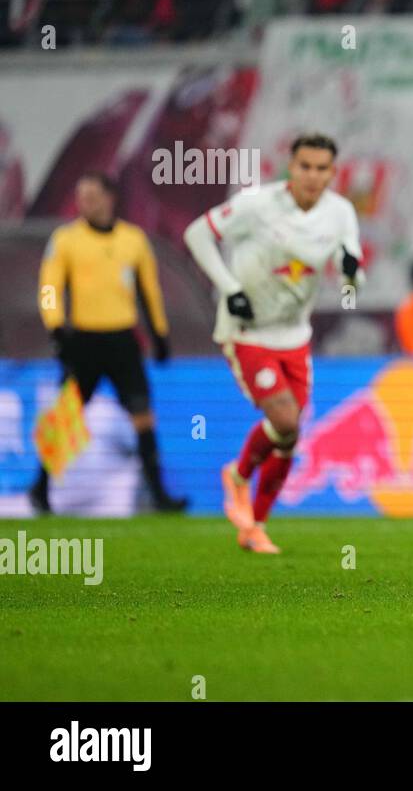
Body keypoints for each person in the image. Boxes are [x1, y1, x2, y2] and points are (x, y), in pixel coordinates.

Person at [183, 133, 364, 554]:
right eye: (305, 167)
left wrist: (352, 273)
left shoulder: (340, 214)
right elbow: (197, 235)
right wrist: (229, 288)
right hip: (248, 331)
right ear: (291, 167)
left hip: (295, 336)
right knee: (285, 421)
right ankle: (239, 476)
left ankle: (255, 527)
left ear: (333, 173)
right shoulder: (256, 206)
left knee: (288, 437)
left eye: (322, 169)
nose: (313, 176)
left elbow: (351, 276)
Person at [32, 172, 187, 515]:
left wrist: (159, 334)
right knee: (65, 417)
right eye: (80, 197)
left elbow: (149, 291)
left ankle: (160, 495)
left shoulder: (133, 240)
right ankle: (40, 488)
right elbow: (48, 288)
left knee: (142, 414)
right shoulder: (66, 240)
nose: (84, 203)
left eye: (91, 196)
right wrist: (56, 328)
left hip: (123, 342)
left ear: (109, 198)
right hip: (83, 341)